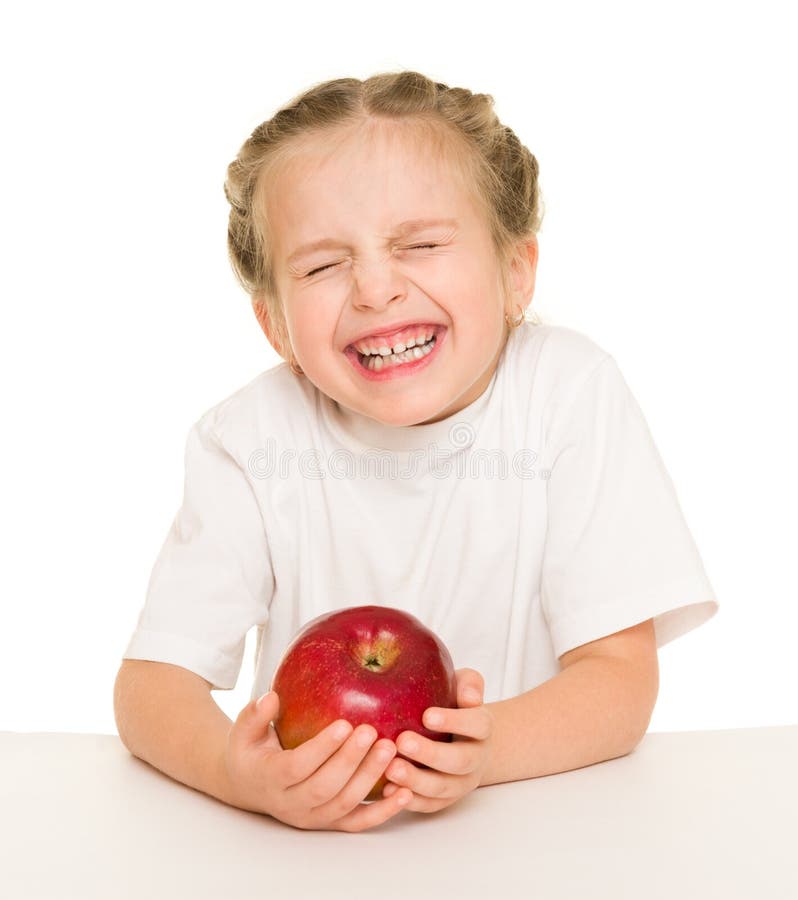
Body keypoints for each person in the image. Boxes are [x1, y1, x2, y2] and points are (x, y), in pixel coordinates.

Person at [113, 70, 718, 833]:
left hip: (529, 840)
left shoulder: (568, 392)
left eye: (422, 244)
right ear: (274, 326)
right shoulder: (248, 440)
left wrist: (484, 752)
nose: (374, 289)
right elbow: (151, 686)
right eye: (323, 265)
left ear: (514, 273)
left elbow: (621, 684)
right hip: (309, 865)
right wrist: (240, 775)